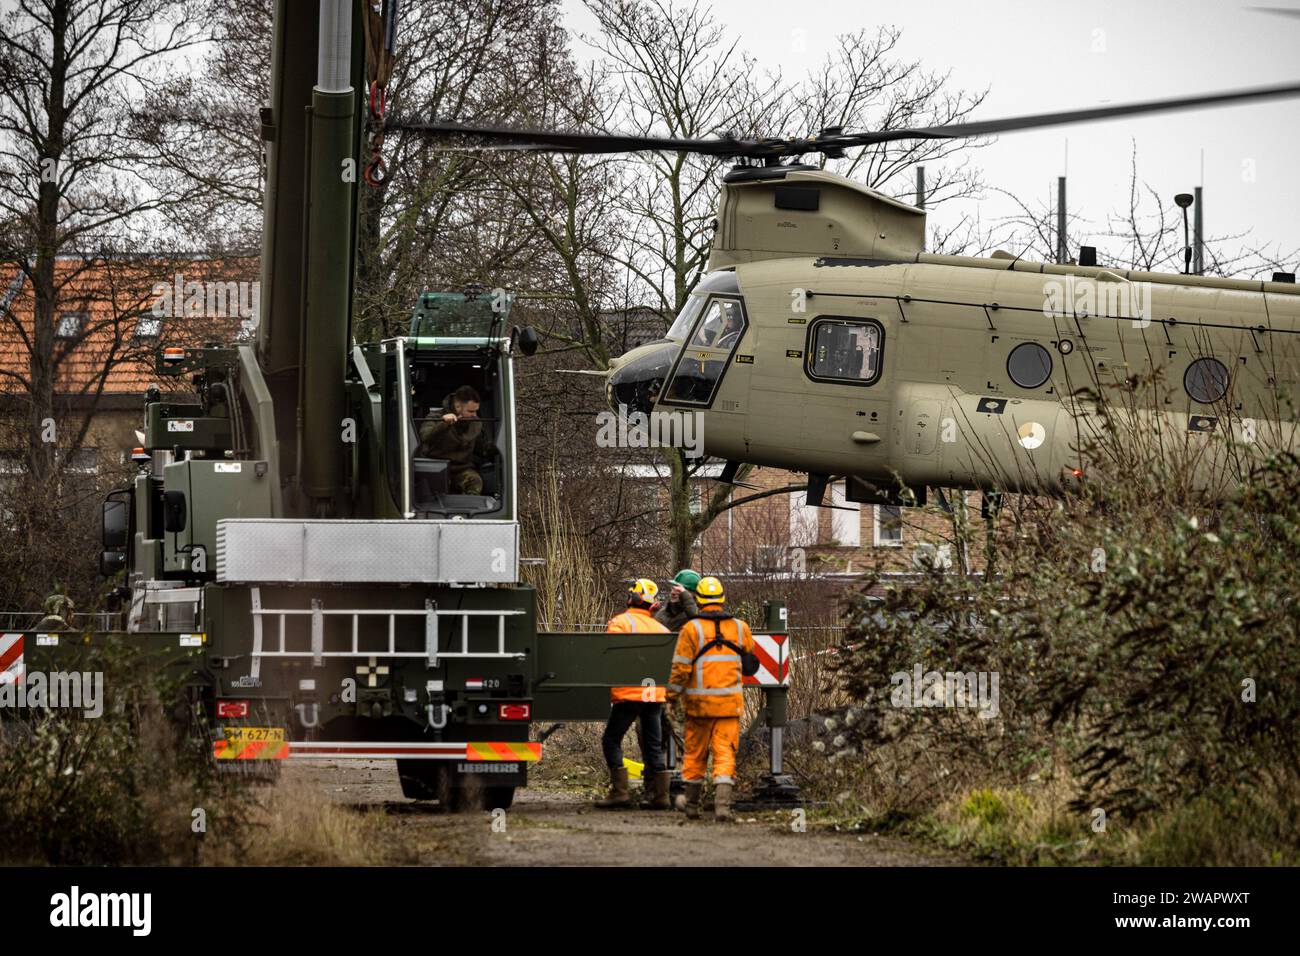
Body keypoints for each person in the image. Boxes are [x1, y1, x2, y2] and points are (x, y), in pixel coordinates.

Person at [665, 575, 755, 822]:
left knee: (695, 756)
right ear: (723, 599)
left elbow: (680, 669)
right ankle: (723, 809)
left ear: (699, 599)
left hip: (698, 708)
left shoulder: (690, 630)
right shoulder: (740, 628)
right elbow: (750, 666)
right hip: (729, 707)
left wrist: (670, 697)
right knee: (725, 755)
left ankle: (692, 807)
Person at [595, 578, 672, 810]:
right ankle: (660, 796)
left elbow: (610, 657)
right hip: (653, 696)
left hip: (628, 695)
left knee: (611, 740)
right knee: (653, 746)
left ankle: (620, 792)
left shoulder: (619, 623)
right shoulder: (662, 629)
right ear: (651, 605)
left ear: (633, 599)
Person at [416, 384, 496, 495]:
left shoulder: (475, 423)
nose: (474, 415)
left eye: (476, 411)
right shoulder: (436, 416)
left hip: (462, 469)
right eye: (471, 411)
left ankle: (469, 511)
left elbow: (481, 448)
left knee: (475, 482)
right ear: (458, 406)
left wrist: (497, 446)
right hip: (437, 467)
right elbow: (425, 436)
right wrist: (444, 424)